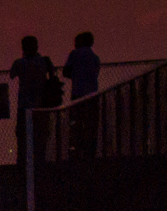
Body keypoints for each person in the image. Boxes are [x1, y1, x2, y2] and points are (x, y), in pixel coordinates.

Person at [7, 35, 59, 162]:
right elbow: (53, 74)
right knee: (41, 136)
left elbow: (12, 74)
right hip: (42, 103)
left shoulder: (19, 63)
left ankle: (23, 163)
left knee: (23, 137)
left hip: (24, 105)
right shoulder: (44, 61)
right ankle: (40, 161)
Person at [65, 29, 101, 157]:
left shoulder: (75, 54)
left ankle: (76, 151)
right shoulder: (95, 58)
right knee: (91, 125)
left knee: (76, 124)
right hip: (92, 94)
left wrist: (76, 75)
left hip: (78, 93)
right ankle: (90, 152)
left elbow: (66, 71)